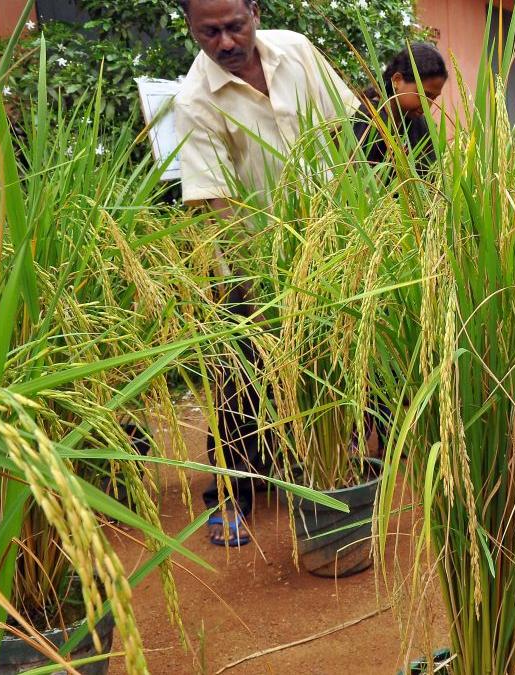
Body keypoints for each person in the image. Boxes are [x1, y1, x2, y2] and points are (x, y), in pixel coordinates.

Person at [173, 0, 360, 547]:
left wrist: (353, 225)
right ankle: (231, 494)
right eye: (210, 32)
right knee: (239, 377)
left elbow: (344, 140)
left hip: (328, 243)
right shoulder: (195, 101)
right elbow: (214, 204)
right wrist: (249, 286)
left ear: (254, 11)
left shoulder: (297, 52)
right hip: (247, 261)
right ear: (192, 29)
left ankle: (322, 462)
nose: (226, 42)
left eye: (235, 26)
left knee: (329, 362)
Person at [354, 42, 448, 170]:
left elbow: (431, 176)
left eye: (433, 98)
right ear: (397, 81)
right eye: (423, 95)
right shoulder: (367, 118)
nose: (428, 105)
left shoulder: (423, 127)